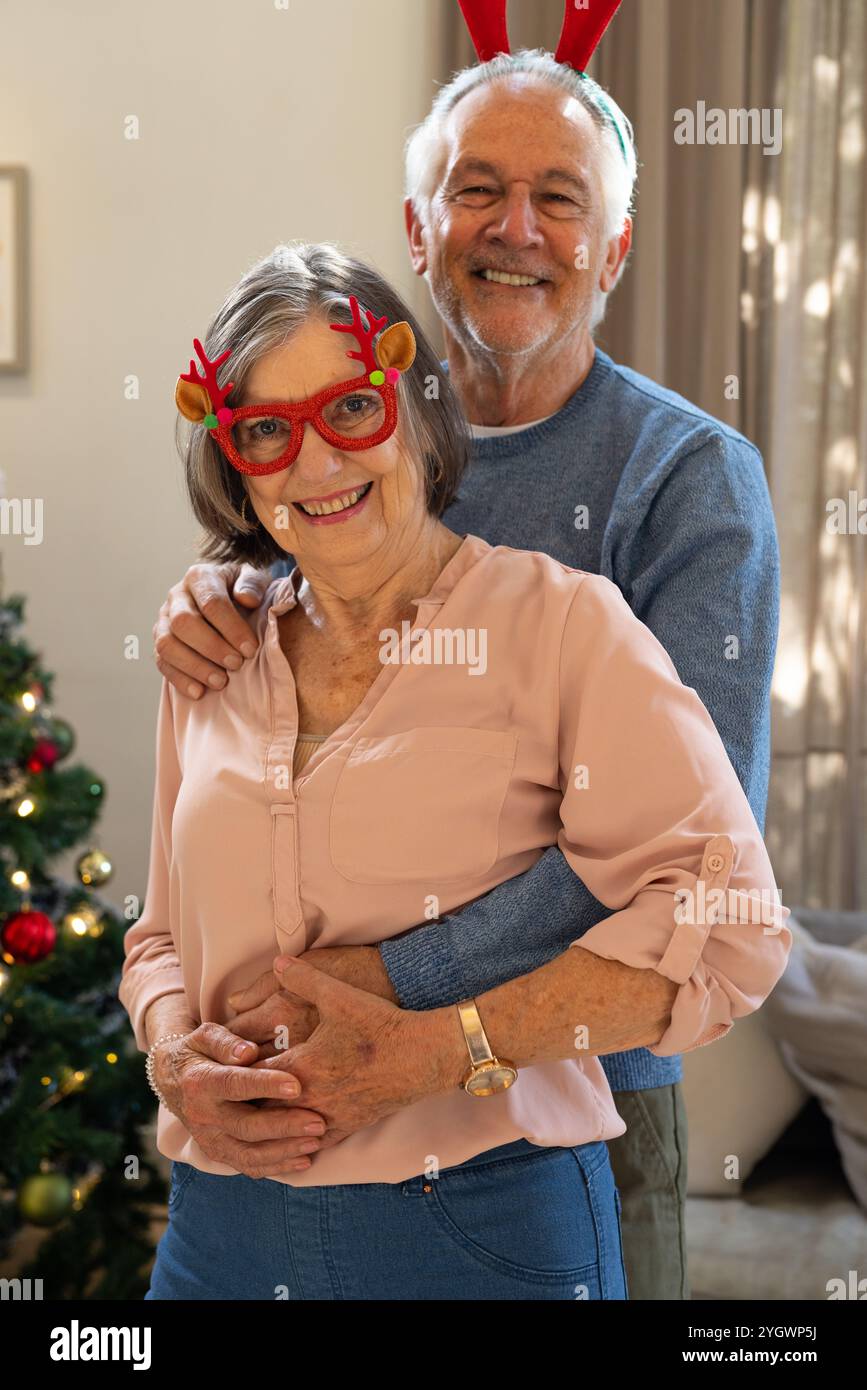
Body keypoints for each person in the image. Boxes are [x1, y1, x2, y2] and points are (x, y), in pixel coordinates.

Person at [150, 51, 781, 1300]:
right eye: (477, 188)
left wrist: (391, 1004)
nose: (515, 227)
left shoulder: (683, 484)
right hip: (249, 1185)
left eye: (560, 197)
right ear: (418, 231)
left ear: (614, 247)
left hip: (570, 1090)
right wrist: (185, 1048)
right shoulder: (316, 479)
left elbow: (697, 868)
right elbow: (174, 914)